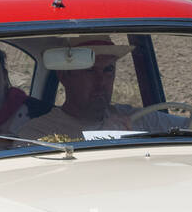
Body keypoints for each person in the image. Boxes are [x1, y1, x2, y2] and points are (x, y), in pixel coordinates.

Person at [13, 38, 168, 141]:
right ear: (64, 76)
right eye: (89, 70)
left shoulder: (138, 118)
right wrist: (105, 137)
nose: (101, 81)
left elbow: (191, 126)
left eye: (108, 70)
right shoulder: (38, 133)